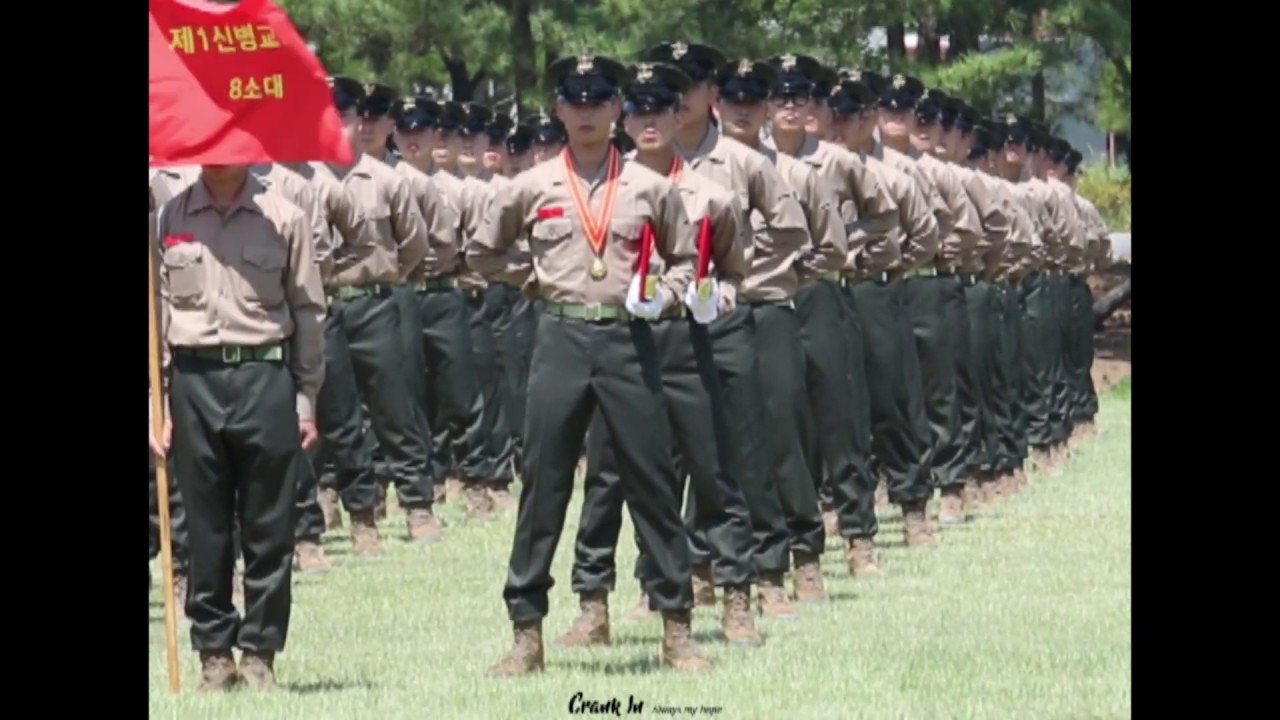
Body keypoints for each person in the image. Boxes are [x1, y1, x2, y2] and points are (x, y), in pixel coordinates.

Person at [468, 53, 709, 676]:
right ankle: (527, 633)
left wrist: (668, 295)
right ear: (558, 110)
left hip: (629, 342)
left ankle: (677, 626)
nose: (586, 113)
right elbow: (483, 250)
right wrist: (535, 283)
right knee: (544, 482)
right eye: (575, 101)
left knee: (652, 482)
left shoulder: (650, 188)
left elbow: (686, 260)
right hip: (560, 337)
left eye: (599, 101)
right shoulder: (534, 185)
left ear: (617, 111)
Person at [559, 59, 760, 647]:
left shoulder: (709, 194)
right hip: (618, 341)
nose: (649, 121)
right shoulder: (600, 186)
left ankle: (735, 594)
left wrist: (714, 297)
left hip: (680, 338)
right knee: (607, 476)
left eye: (661, 109)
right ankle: (593, 604)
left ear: (681, 114)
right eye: (638, 109)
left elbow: (732, 271)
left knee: (713, 465)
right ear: (624, 116)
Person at [640, 42, 807, 618]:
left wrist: (735, 281)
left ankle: (767, 571)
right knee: (664, 455)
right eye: (669, 87)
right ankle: (674, 574)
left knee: (744, 448)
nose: (680, 97)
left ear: (711, 94)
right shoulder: (636, 166)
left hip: (729, 320)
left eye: (690, 85)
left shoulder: (742, 162)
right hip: (664, 322)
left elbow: (789, 231)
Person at [149, 163, 326, 691]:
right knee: (202, 527)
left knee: (268, 526)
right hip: (193, 378)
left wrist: (306, 399)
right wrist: (154, 402)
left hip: (264, 373)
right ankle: (214, 654)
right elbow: (155, 314)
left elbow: (309, 310)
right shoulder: (167, 219)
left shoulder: (284, 216)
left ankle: (260, 654)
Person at [765, 54, 900, 579]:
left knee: (841, 418)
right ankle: (789, 533)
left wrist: (850, 248)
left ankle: (860, 536)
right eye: (783, 98)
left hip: (824, 293)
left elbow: (884, 214)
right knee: (783, 420)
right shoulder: (753, 162)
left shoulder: (839, 161)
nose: (793, 108)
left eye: (804, 98)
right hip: (773, 297)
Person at [312, 78, 438, 554]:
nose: (339, 123)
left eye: (345, 114)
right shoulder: (303, 179)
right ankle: (360, 513)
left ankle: (417, 502)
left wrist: (383, 277)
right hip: (325, 305)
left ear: (358, 120)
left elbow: (415, 244)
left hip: (375, 301)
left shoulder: (388, 179)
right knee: (339, 416)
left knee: (394, 404)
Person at [825, 72, 938, 559]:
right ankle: (835, 504)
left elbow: (926, 234)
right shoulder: (815, 167)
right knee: (833, 406)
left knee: (893, 400)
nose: (841, 123)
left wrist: (888, 267)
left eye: (852, 113)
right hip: (827, 293)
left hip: (876, 291)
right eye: (836, 113)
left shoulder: (895, 172)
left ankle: (913, 504)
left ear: (870, 117)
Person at [936, 99, 1011, 514]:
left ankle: (979, 467)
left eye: (946, 127)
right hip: (920, 288)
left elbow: (998, 230)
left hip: (966, 284)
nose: (938, 134)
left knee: (971, 383)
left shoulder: (970, 180)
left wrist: (985, 273)